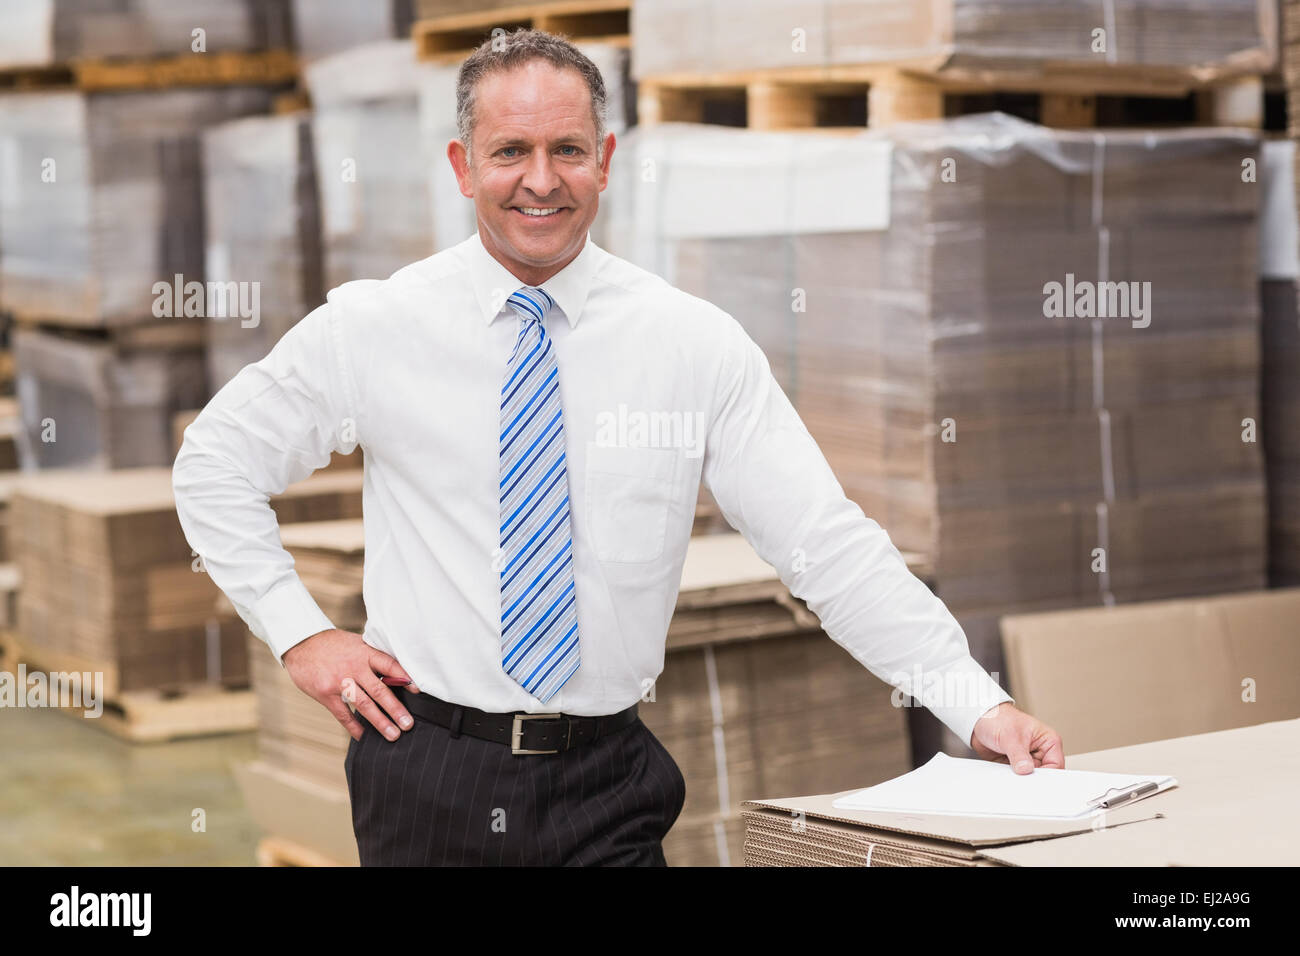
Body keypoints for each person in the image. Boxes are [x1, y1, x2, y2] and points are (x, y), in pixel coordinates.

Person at [173, 28, 1064, 867]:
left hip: (610, 781)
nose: (540, 181)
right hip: (428, 771)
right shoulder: (376, 327)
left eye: (566, 150)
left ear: (604, 162)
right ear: (462, 166)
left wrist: (972, 702)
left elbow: (823, 542)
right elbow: (214, 465)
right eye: (510, 152)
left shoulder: (691, 343)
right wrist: (302, 637)